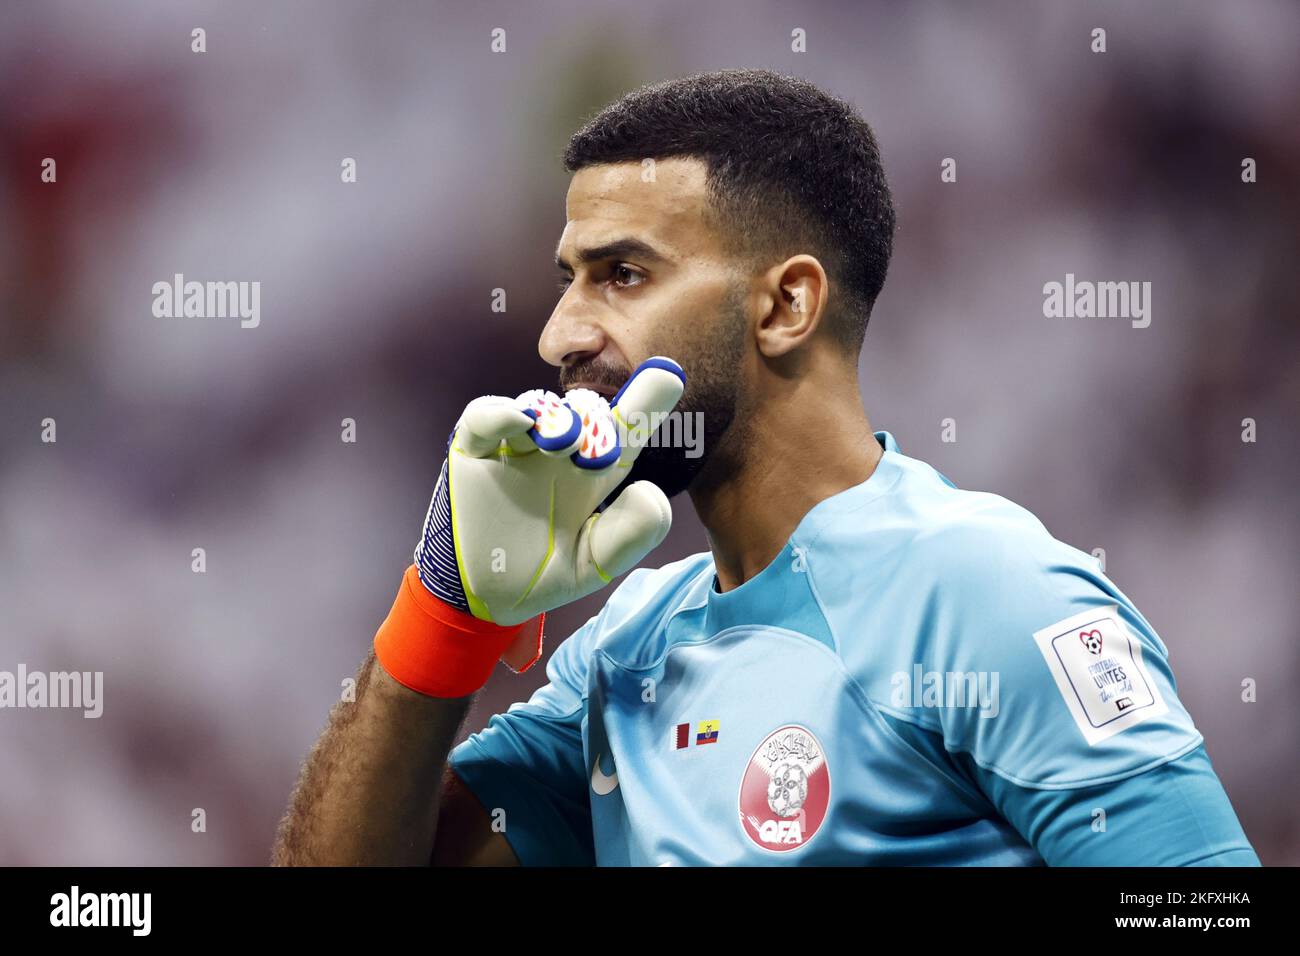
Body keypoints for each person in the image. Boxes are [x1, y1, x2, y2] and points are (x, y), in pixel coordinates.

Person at [272, 69, 1258, 866]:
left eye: (621, 274)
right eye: (566, 280)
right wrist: (447, 608)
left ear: (784, 306)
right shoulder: (625, 650)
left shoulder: (986, 595)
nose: (559, 332)